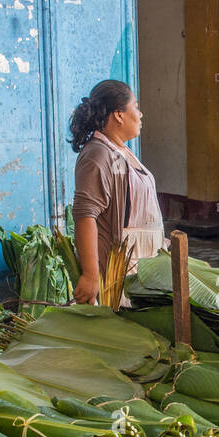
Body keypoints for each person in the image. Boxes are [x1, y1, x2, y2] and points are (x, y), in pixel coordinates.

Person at [69, 79, 164, 305]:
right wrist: (90, 276)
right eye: (136, 107)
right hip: (120, 268)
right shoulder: (98, 155)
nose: (140, 115)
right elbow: (85, 216)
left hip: (141, 262)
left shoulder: (121, 151)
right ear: (119, 115)